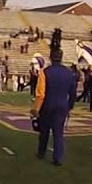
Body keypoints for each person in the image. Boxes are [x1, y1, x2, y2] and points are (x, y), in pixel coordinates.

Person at [32, 28, 78, 165]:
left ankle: (41, 153)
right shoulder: (69, 73)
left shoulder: (44, 72)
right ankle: (58, 158)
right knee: (58, 133)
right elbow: (73, 92)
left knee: (44, 131)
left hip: (47, 105)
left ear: (51, 58)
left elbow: (40, 94)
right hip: (62, 105)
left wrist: (36, 109)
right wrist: (69, 106)